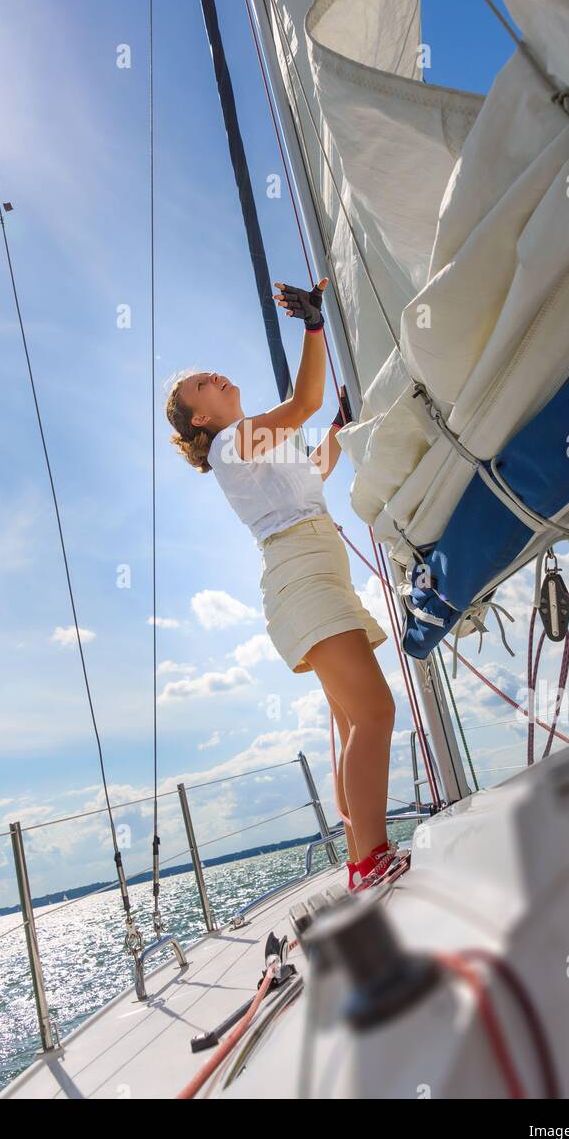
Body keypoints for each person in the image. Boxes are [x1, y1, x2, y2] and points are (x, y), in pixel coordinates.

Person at [165, 277, 398, 889]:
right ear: (199, 415)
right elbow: (303, 404)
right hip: (301, 576)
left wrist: (341, 431)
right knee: (375, 712)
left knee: (354, 723)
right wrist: (314, 326)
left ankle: (359, 858)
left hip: (313, 568)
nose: (212, 375)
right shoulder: (227, 445)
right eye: (201, 384)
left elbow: (314, 464)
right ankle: (372, 858)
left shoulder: (255, 444)